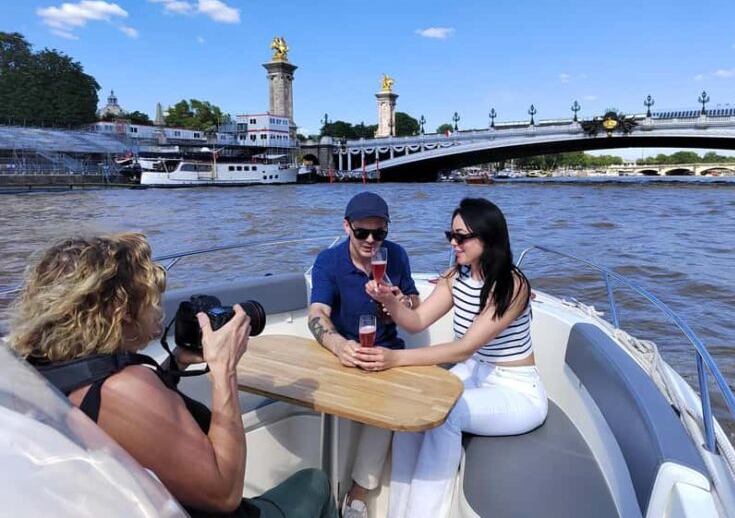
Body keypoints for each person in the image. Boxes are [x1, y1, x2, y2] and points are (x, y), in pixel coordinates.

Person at [8, 233, 336, 518]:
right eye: (152, 300)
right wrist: (224, 371)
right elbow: (225, 494)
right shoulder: (124, 385)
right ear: (123, 314)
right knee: (315, 483)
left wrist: (174, 365)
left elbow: (129, 423)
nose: (159, 310)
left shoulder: (39, 368)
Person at [360, 197, 548, 518]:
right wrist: (390, 302)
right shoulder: (455, 277)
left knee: (447, 414)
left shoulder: (511, 286)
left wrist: (394, 359)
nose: (453, 242)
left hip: (517, 390)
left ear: (487, 237)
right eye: (451, 234)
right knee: (413, 404)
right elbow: (417, 320)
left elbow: (464, 348)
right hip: (474, 371)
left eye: (461, 237)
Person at [308, 191, 420, 518]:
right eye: (362, 232)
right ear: (347, 227)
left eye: (379, 233)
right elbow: (317, 312)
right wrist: (339, 345)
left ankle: (357, 495)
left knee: (392, 404)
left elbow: (414, 302)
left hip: (387, 351)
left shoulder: (395, 256)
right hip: (341, 351)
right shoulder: (328, 261)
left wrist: (398, 303)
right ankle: (324, 484)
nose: (371, 240)